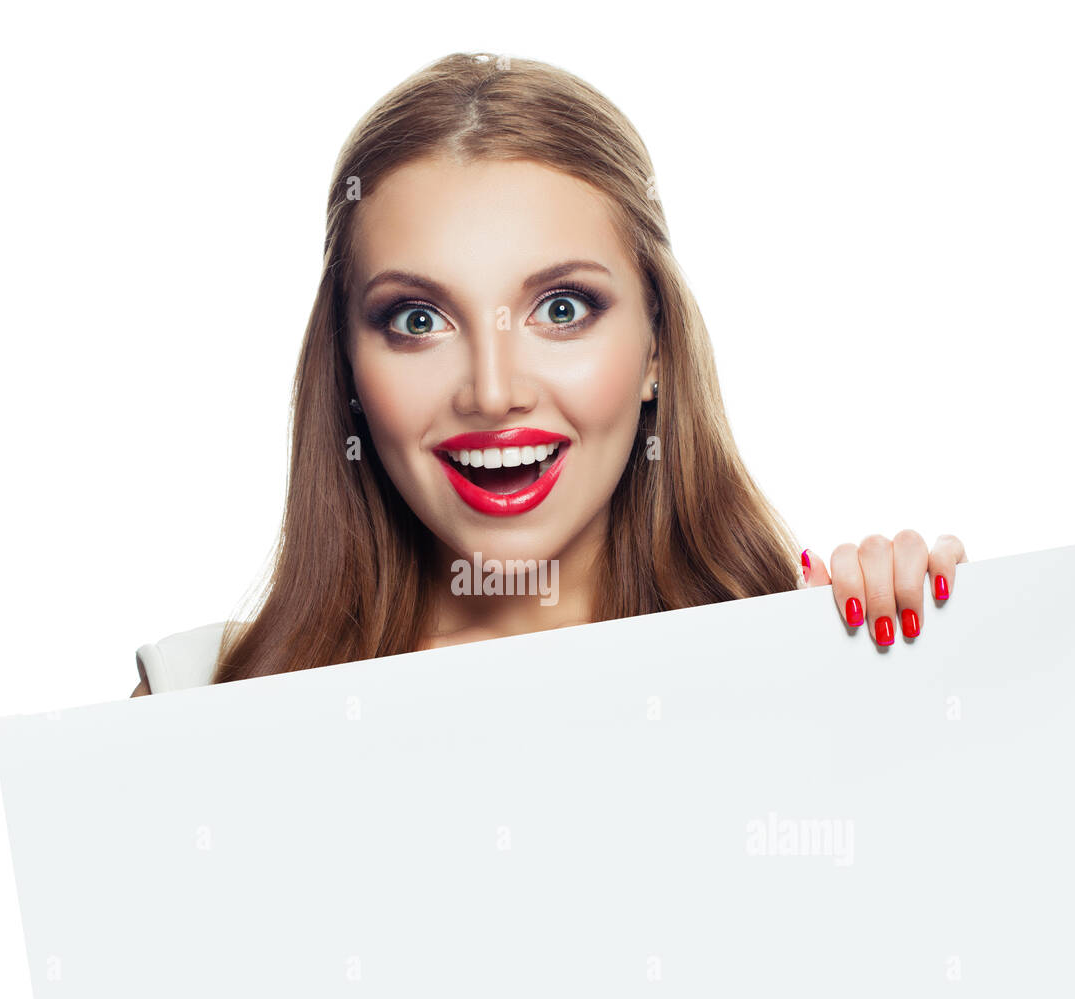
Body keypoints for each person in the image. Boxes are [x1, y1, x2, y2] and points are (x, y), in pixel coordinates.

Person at [133, 52, 966, 697]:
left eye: (562, 309)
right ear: (347, 371)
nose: (493, 392)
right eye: (418, 320)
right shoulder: (199, 698)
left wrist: (927, 668)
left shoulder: (808, 651)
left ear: (657, 348)